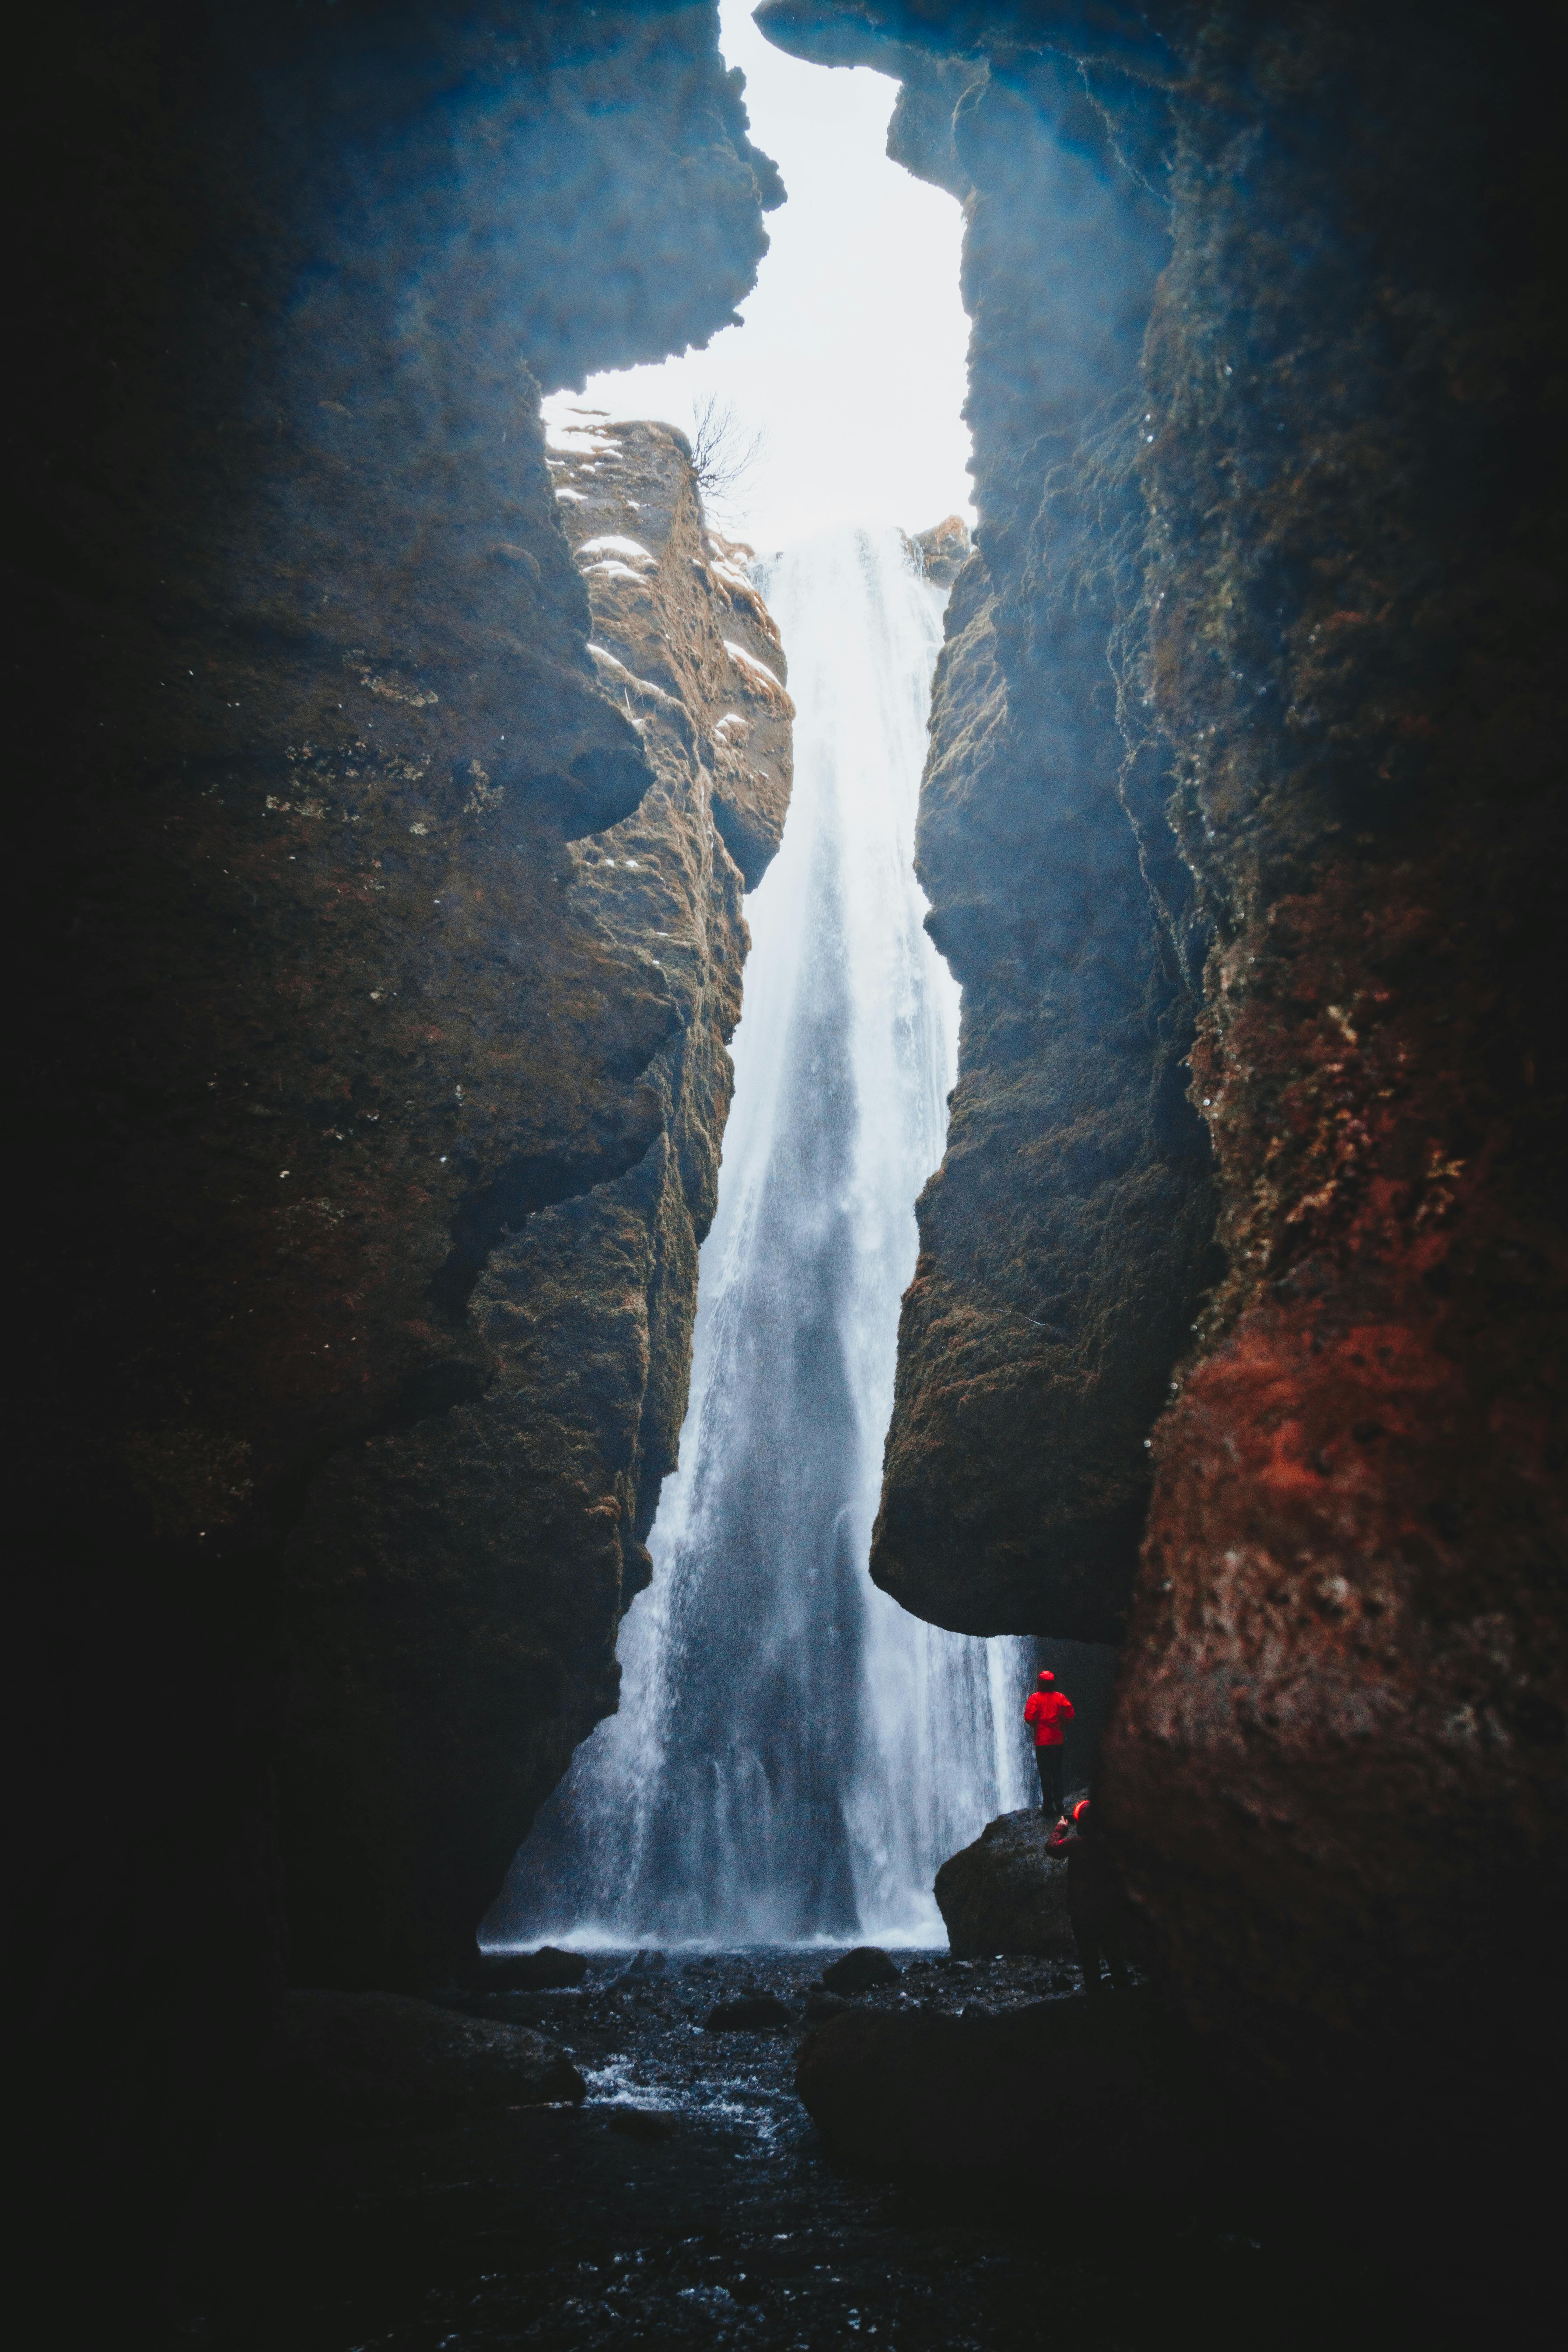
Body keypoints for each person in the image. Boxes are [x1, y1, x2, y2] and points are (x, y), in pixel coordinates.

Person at [1047, 1798, 1132, 1994]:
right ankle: (1127, 1998)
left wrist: (1062, 1826)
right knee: (1114, 1954)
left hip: (1082, 1915)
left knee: (1089, 1959)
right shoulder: (1110, 1844)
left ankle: (1096, 2000)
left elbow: (1052, 1847)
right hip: (1108, 1912)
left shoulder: (1076, 1845)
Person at [1023, 1668, 1074, 1815]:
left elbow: (1029, 1717)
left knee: (1045, 1773)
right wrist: (1061, 1723)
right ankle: (1059, 1804)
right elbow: (1070, 1714)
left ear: (1040, 1683)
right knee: (1057, 1771)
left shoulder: (1035, 1698)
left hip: (1042, 1742)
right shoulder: (1060, 1698)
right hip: (1057, 1740)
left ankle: (1048, 1806)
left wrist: (1038, 1725)